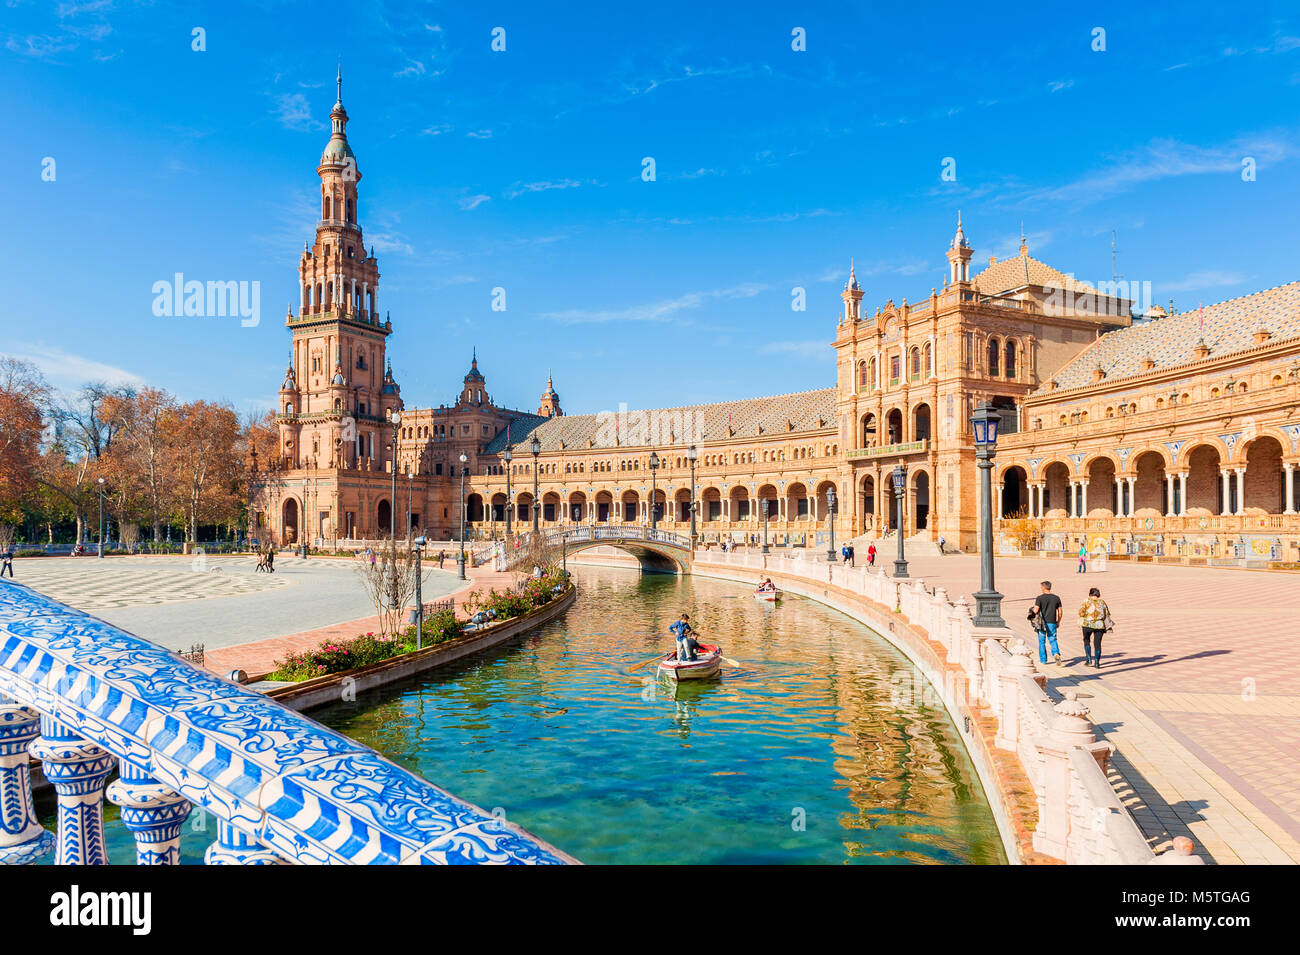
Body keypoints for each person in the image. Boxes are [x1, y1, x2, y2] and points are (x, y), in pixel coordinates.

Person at [1027, 580, 1063, 665]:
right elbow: (1060, 612)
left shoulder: (1040, 598)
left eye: (1041, 587)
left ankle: (1043, 660)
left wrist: (1031, 611)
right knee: (1053, 639)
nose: (1041, 589)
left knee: (1042, 641)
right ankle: (1056, 653)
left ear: (1044, 587)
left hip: (1041, 623)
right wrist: (1058, 621)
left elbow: (1036, 610)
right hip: (1052, 622)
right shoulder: (1056, 598)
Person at [1078, 587, 1114, 668]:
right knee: (1097, 644)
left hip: (1087, 624)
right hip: (1099, 625)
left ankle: (1089, 660)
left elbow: (1080, 613)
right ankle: (1097, 663)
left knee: (1086, 640)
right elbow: (1107, 614)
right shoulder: (1102, 602)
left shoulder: (1086, 601)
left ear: (1090, 594)